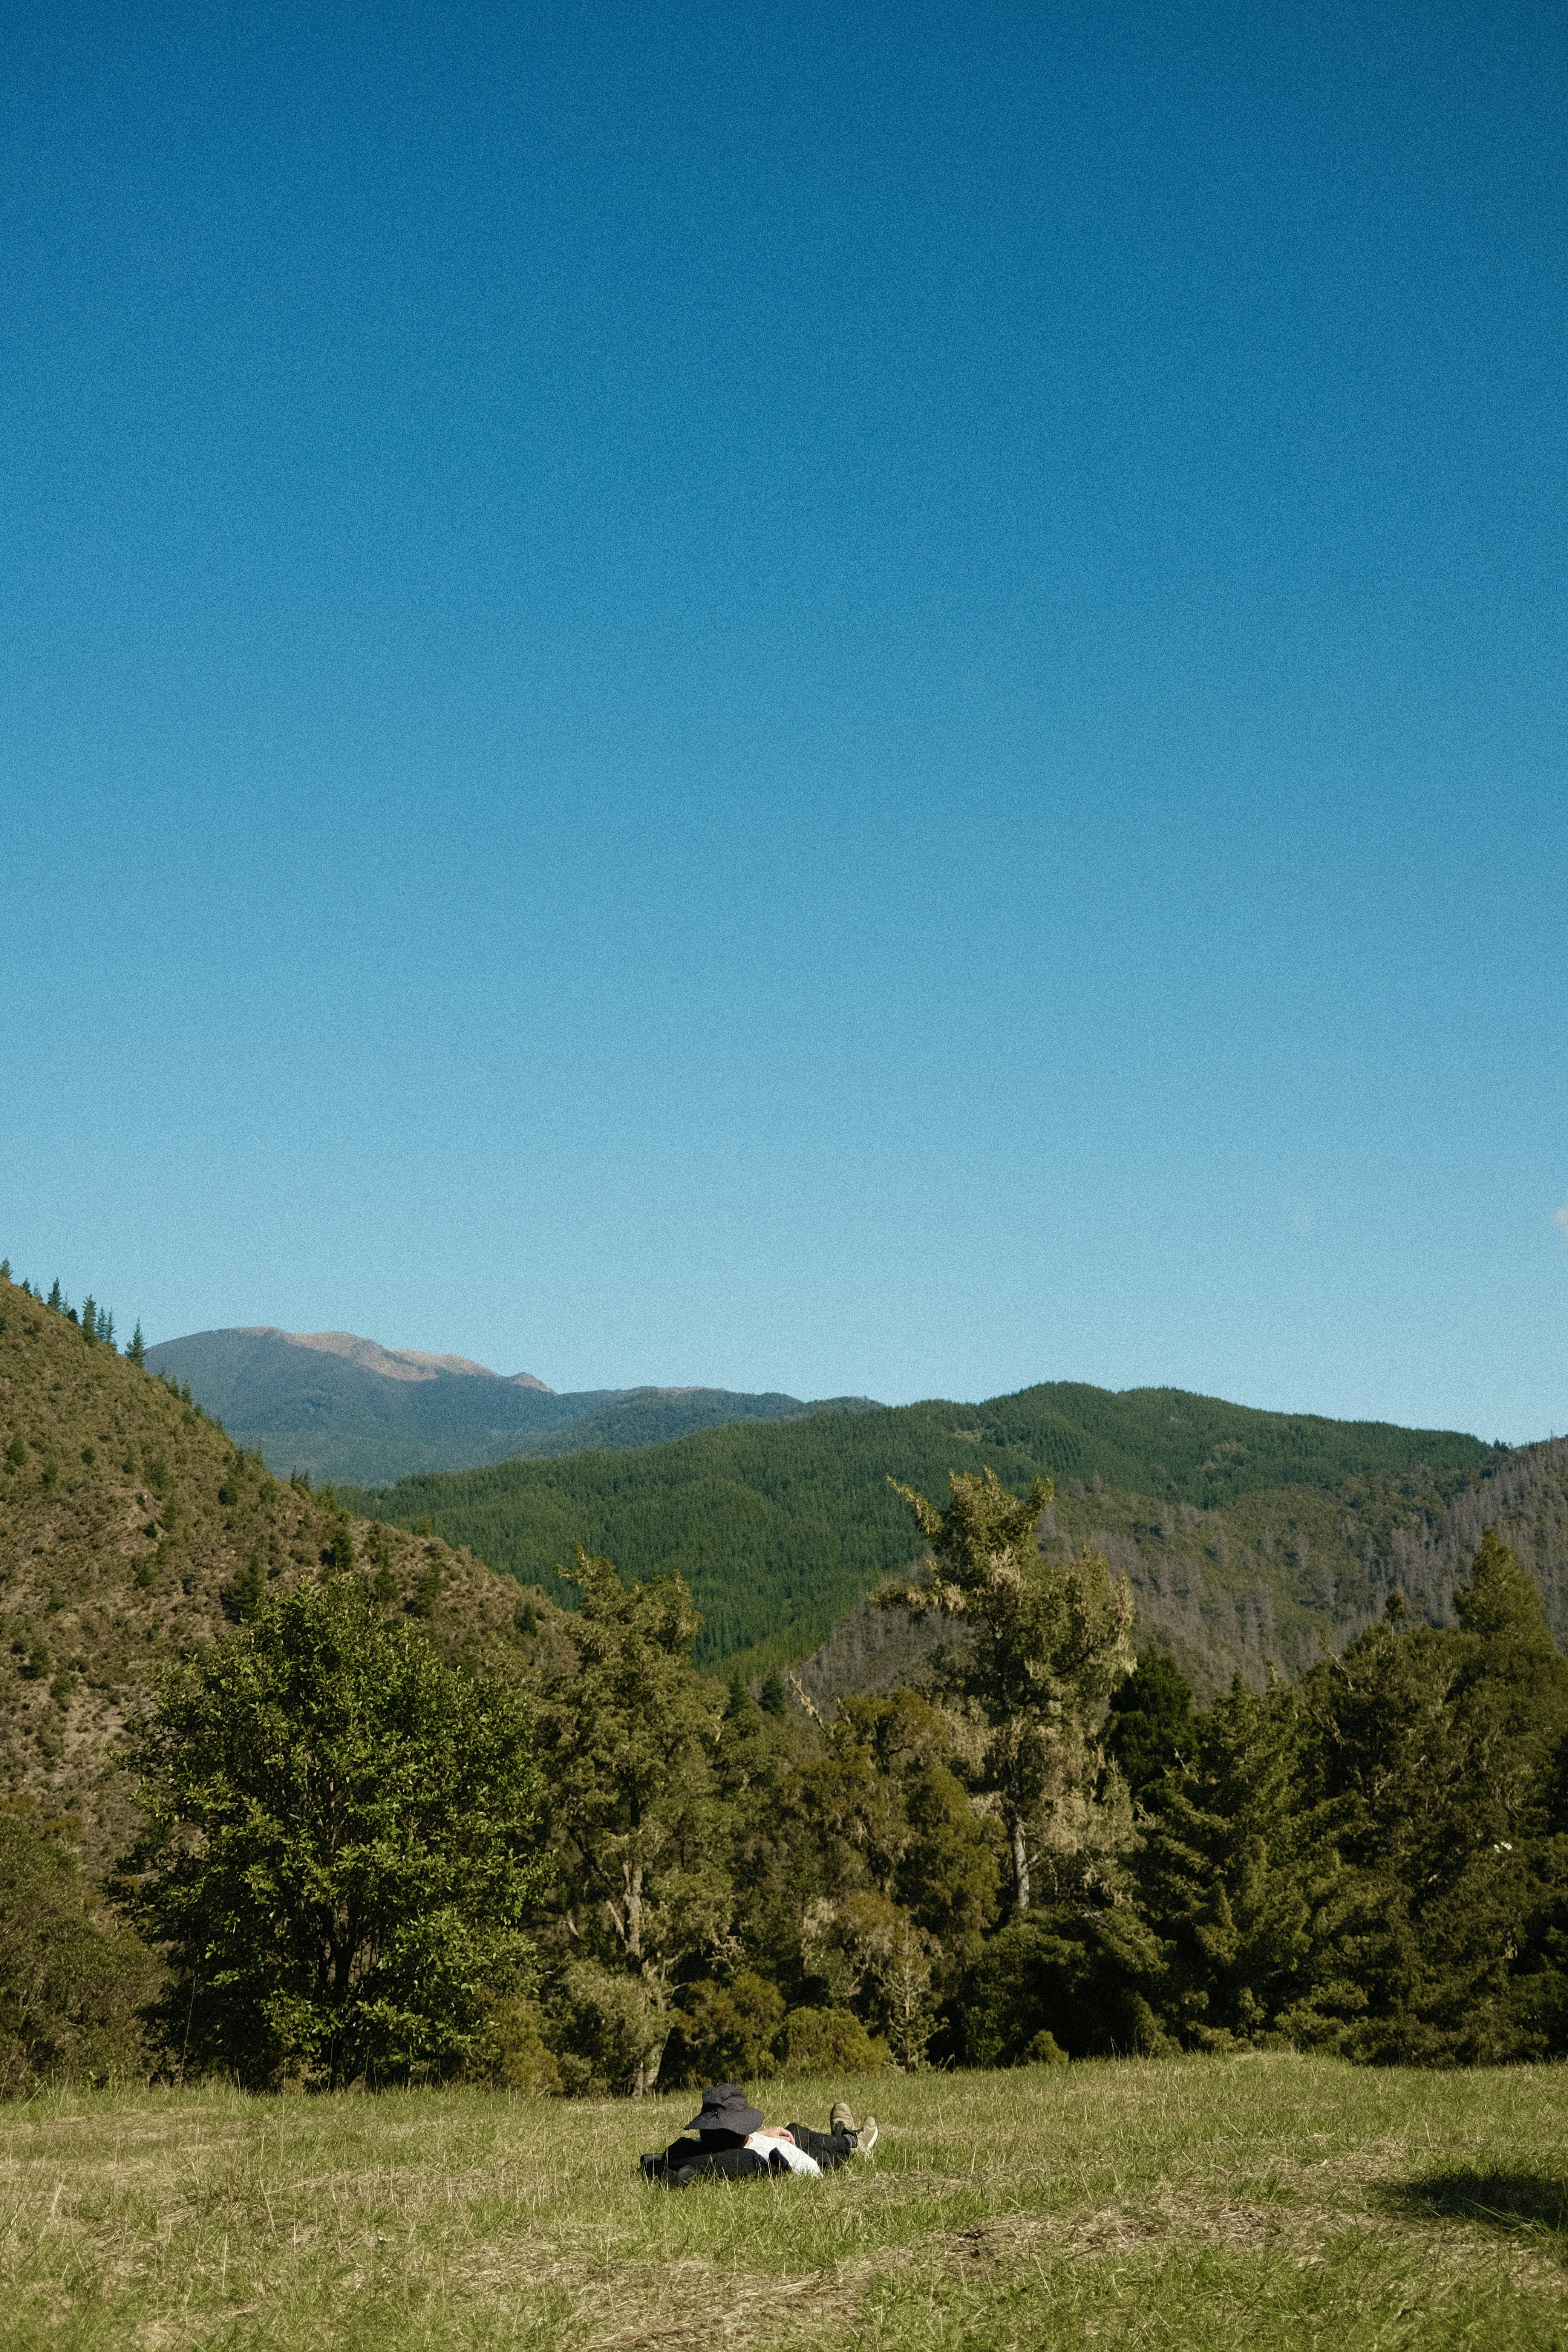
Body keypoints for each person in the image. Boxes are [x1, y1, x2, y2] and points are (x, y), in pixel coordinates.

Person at [640, 2082, 878, 2184]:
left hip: (758, 2143)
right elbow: (814, 2174)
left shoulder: (698, 2146)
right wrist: (770, 2144)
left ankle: (845, 2137)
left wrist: (759, 2136)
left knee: (792, 2130)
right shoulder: (770, 2154)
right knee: (807, 2142)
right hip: (804, 2158)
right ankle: (851, 2142)